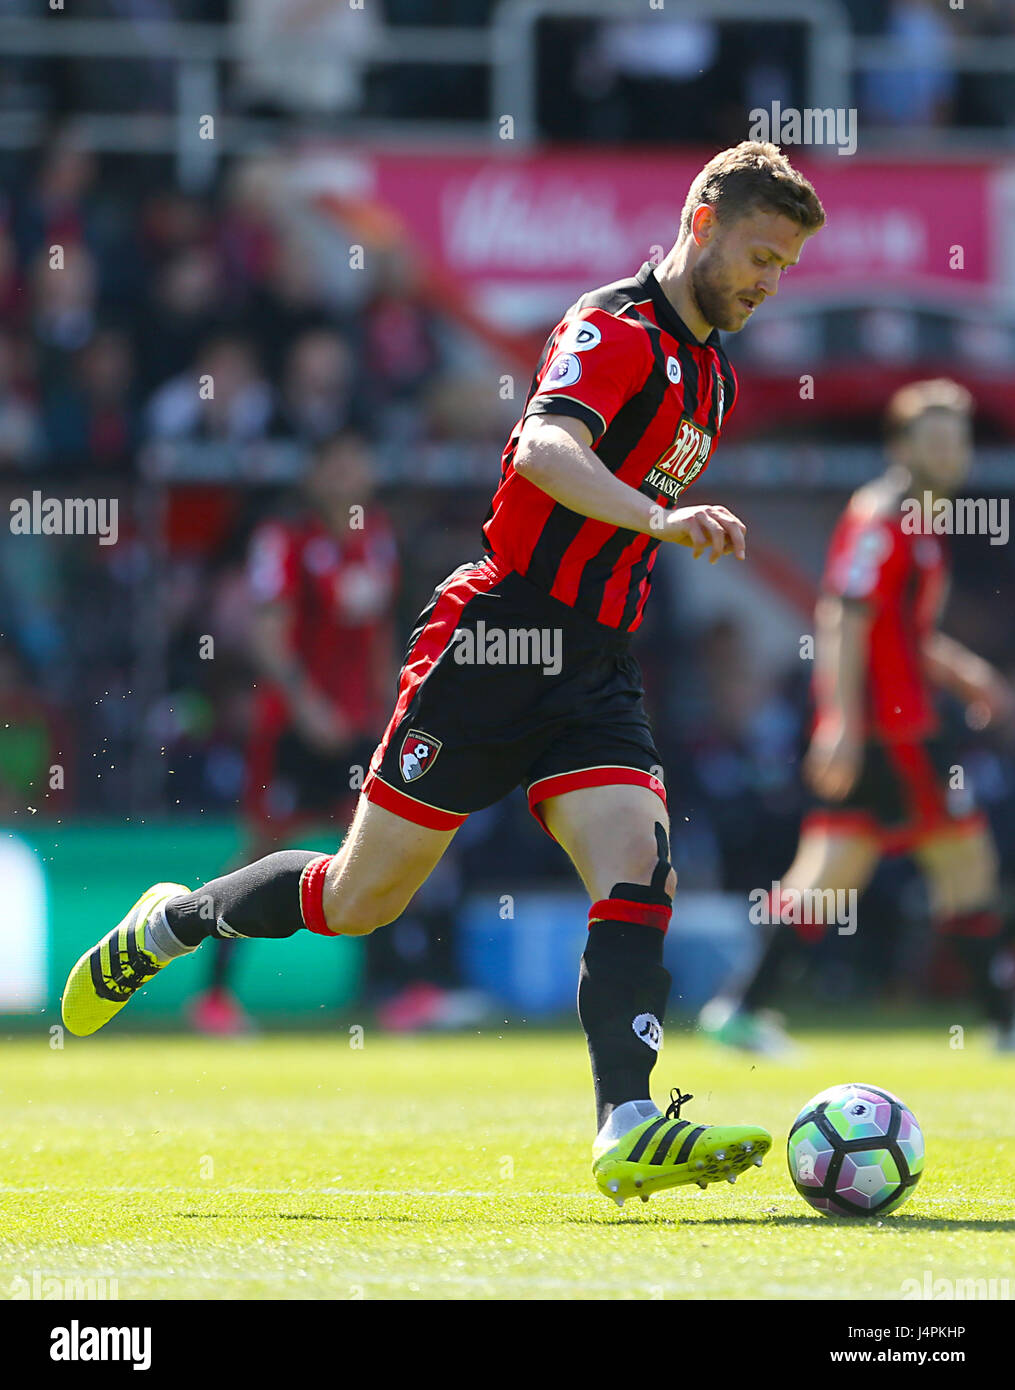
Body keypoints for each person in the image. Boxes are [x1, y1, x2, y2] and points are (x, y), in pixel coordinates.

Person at [62, 141, 826, 1208]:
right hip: (498, 640)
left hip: (595, 663)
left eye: (783, 267)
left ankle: (627, 1121)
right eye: (756, 254)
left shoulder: (713, 373)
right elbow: (542, 454)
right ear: (701, 221)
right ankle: (175, 923)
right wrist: (658, 516)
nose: (765, 280)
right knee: (358, 894)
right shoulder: (612, 329)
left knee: (637, 866)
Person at [700, 379, 1015, 1056]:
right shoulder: (883, 516)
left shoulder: (918, 523)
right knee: (965, 859)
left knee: (827, 873)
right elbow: (842, 616)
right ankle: (1002, 1023)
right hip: (893, 731)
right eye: (933, 439)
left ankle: (739, 1009)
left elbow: (903, 631)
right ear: (900, 447)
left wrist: (972, 677)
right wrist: (839, 720)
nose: (949, 453)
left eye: (956, 439)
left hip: (891, 725)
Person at [188, 429, 398, 1034]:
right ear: (315, 475)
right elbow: (268, 636)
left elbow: (380, 634)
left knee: (373, 851)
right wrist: (309, 709)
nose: (347, 475)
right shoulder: (284, 540)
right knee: (262, 848)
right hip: (294, 726)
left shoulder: (376, 538)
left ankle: (381, 991)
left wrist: (389, 706)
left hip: (358, 724)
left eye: (356, 461)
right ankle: (214, 995)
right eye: (335, 463)